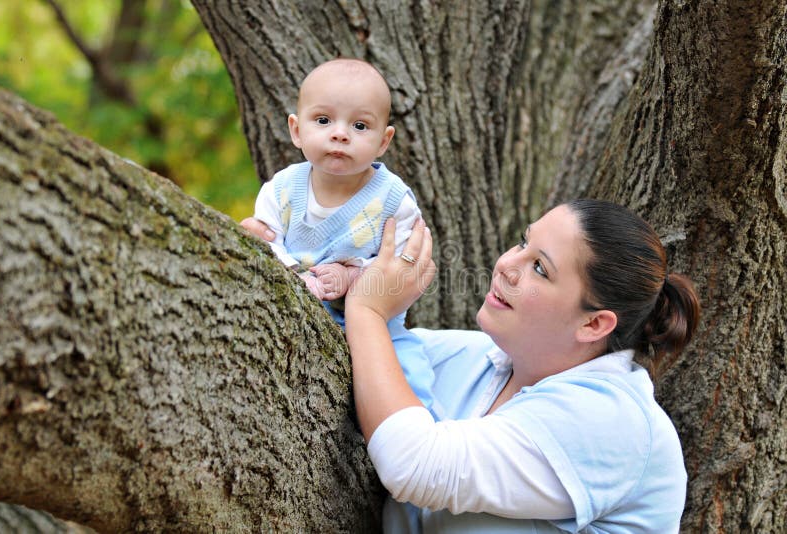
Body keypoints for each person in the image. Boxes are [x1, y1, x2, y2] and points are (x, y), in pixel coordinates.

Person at [339, 199, 702, 532]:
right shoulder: (476, 359)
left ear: (593, 324)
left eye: (540, 268)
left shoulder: (616, 421)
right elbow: (374, 353)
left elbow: (414, 465)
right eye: (521, 243)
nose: (506, 266)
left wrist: (368, 310)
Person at [240, 58, 444, 419]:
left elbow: (401, 267)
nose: (340, 133)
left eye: (360, 125)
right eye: (323, 120)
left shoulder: (394, 201)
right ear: (296, 130)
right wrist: (293, 276)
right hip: (293, 312)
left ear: (384, 141)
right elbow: (265, 242)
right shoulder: (282, 190)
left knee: (410, 370)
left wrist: (354, 277)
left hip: (376, 327)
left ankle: (422, 434)